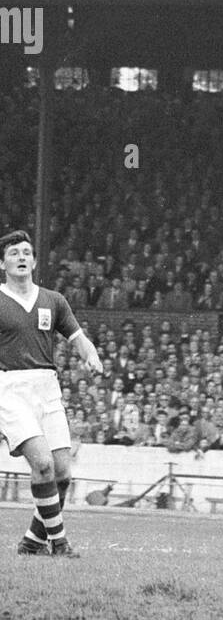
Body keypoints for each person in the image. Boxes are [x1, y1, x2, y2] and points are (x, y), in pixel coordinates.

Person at [0, 230, 103, 557]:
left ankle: (32, 540)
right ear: (2, 262)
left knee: (62, 474)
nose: (21, 257)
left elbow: (77, 337)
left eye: (26, 252)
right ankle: (59, 543)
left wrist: (91, 355)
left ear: (33, 260)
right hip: (10, 388)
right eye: (14, 252)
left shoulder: (53, 300)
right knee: (42, 464)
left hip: (47, 387)